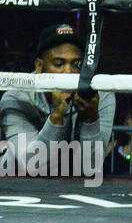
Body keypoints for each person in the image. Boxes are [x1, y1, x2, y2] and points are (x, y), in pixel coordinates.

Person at [0, 24, 116, 175]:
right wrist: (56, 117)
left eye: (77, 64)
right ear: (39, 66)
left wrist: (90, 120)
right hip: (18, 180)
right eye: (59, 63)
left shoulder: (101, 94)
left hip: (72, 183)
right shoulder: (16, 97)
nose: (68, 72)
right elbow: (32, 165)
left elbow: (90, 168)